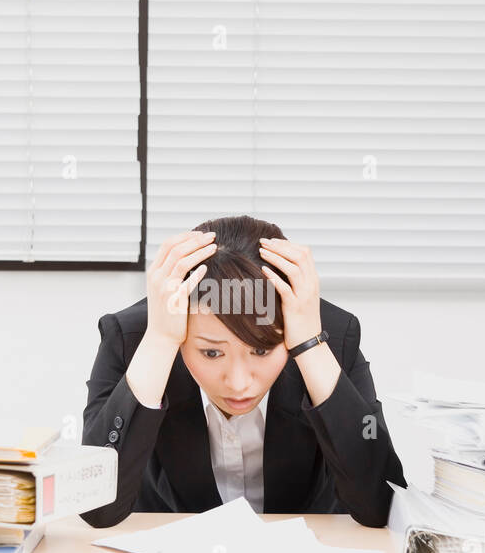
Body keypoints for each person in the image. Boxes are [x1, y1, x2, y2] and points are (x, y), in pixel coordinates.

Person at [80, 214, 407, 528]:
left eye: (262, 350)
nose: (238, 383)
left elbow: (381, 504)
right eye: (211, 352)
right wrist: (161, 340)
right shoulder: (136, 338)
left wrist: (309, 344)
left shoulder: (330, 337)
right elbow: (96, 508)